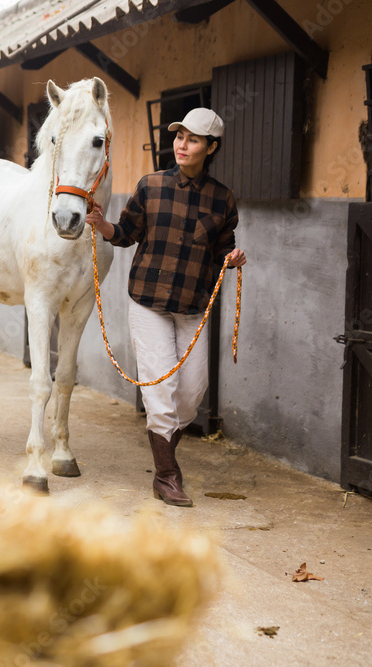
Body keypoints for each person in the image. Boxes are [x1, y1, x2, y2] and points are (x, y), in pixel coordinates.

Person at [86, 108, 246, 507]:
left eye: (192, 140)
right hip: (149, 303)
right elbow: (125, 234)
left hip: (193, 306)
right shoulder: (151, 186)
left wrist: (234, 257)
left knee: (191, 394)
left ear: (210, 148)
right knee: (161, 389)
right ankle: (167, 476)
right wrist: (102, 225)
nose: (181, 144)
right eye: (179, 136)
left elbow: (224, 247)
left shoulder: (223, 199)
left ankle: (165, 455)